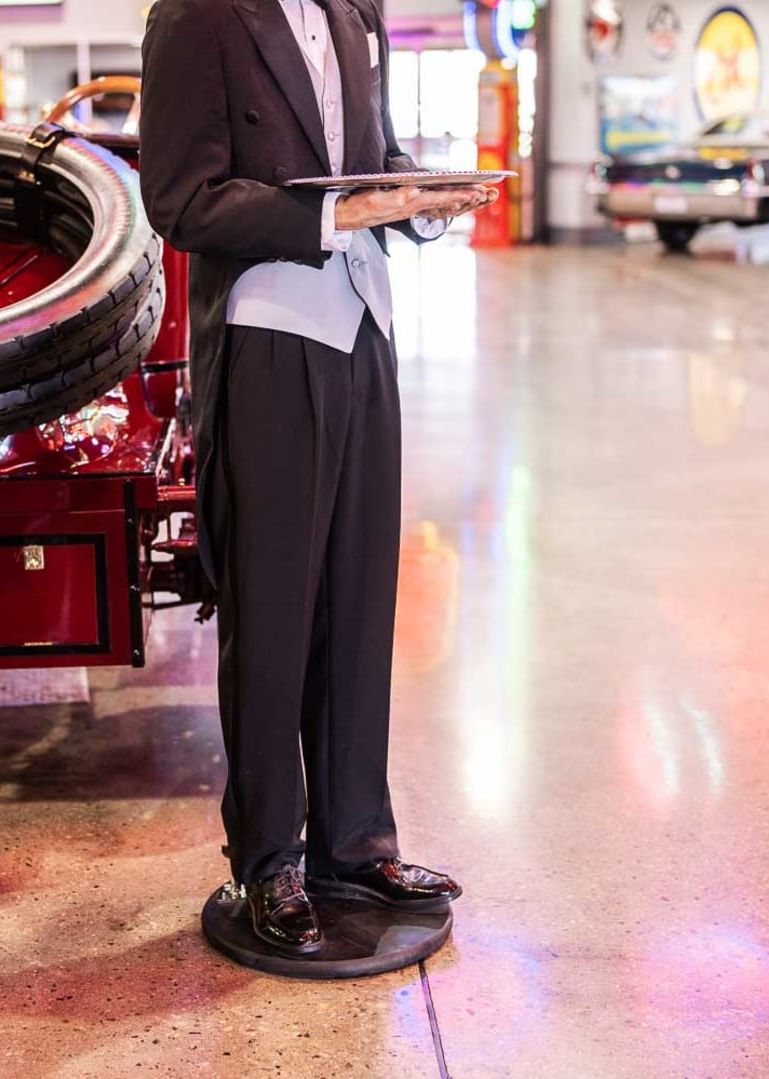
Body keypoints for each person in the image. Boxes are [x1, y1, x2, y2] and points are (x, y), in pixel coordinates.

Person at [139, 0, 498, 954]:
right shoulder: (196, 16)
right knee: (274, 614)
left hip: (365, 327)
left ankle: (353, 840)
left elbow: (369, 152)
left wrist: (424, 194)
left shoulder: (354, 8)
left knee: (358, 598)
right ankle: (268, 860)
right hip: (267, 337)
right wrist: (337, 213)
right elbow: (178, 200)